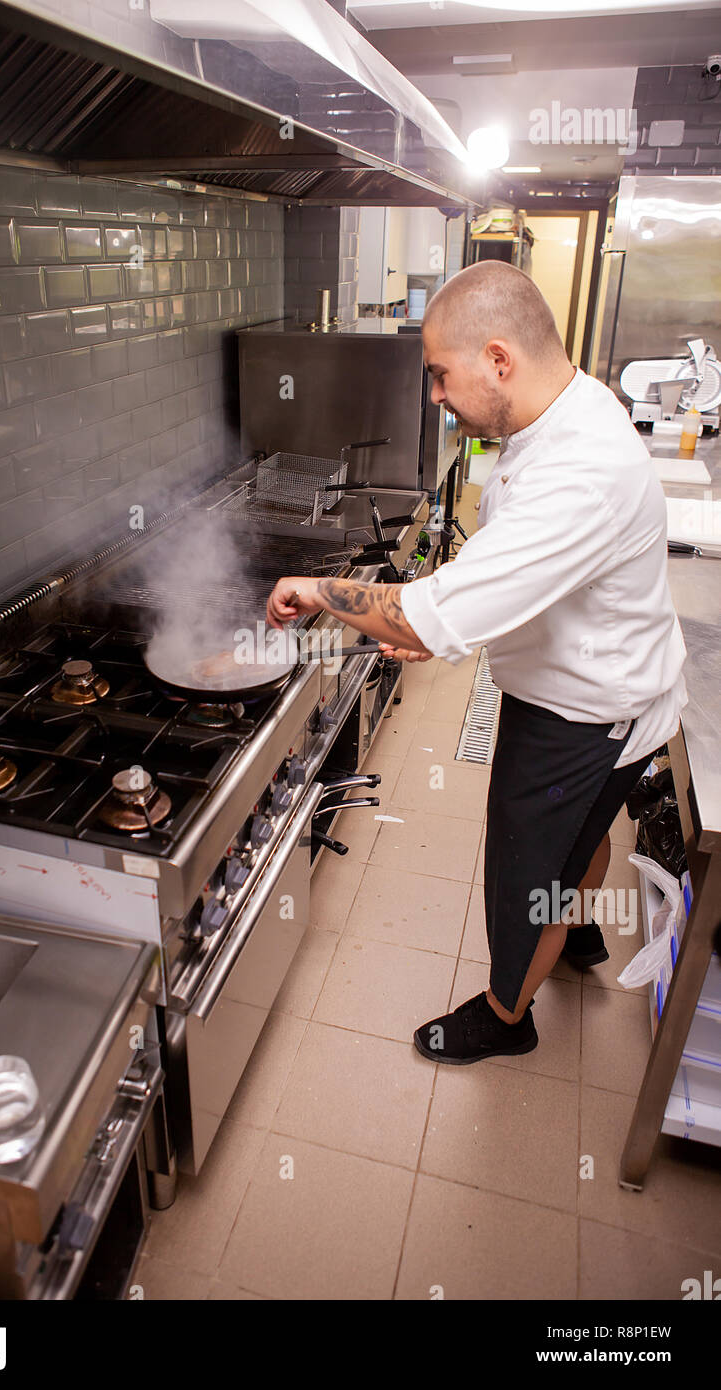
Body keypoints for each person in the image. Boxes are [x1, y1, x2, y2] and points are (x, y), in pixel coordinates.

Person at [265, 260, 687, 1065]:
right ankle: (575, 932)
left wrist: (318, 589)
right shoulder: (562, 410)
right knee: (577, 843)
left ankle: (506, 1013)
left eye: (439, 375)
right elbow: (502, 578)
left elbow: (448, 606)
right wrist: (428, 622)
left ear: (499, 359)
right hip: (612, 695)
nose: (434, 397)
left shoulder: (582, 472)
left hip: (582, 719)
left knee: (526, 870)